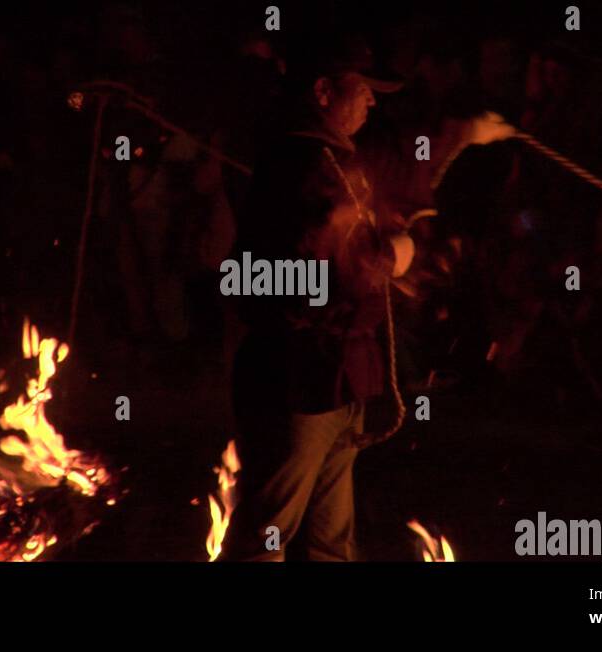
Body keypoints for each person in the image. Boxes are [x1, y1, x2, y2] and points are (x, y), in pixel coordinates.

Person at [219, 33, 514, 561]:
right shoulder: (303, 166)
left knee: (331, 540)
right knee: (266, 534)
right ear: (324, 91)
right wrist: (391, 257)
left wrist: (459, 137)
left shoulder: (331, 158)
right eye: (363, 90)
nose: (373, 101)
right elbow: (316, 272)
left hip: (337, 380)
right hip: (299, 382)